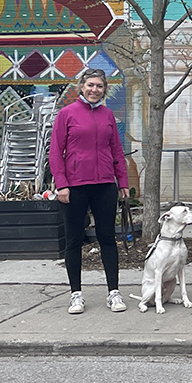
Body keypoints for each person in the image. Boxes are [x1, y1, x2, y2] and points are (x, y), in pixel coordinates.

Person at [51, 68, 129, 315]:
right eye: (90, 85)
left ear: (105, 89)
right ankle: (76, 294)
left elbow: (117, 150)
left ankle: (113, 292)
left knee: (107, 238)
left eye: (99, 86)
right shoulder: (66, 114)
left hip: (104, 184)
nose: (95, 90)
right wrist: (61, 184)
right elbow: (55, 152)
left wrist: (123, 181)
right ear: (81, 87)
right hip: (74, 186)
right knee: (74, 240)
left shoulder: (107, 115)